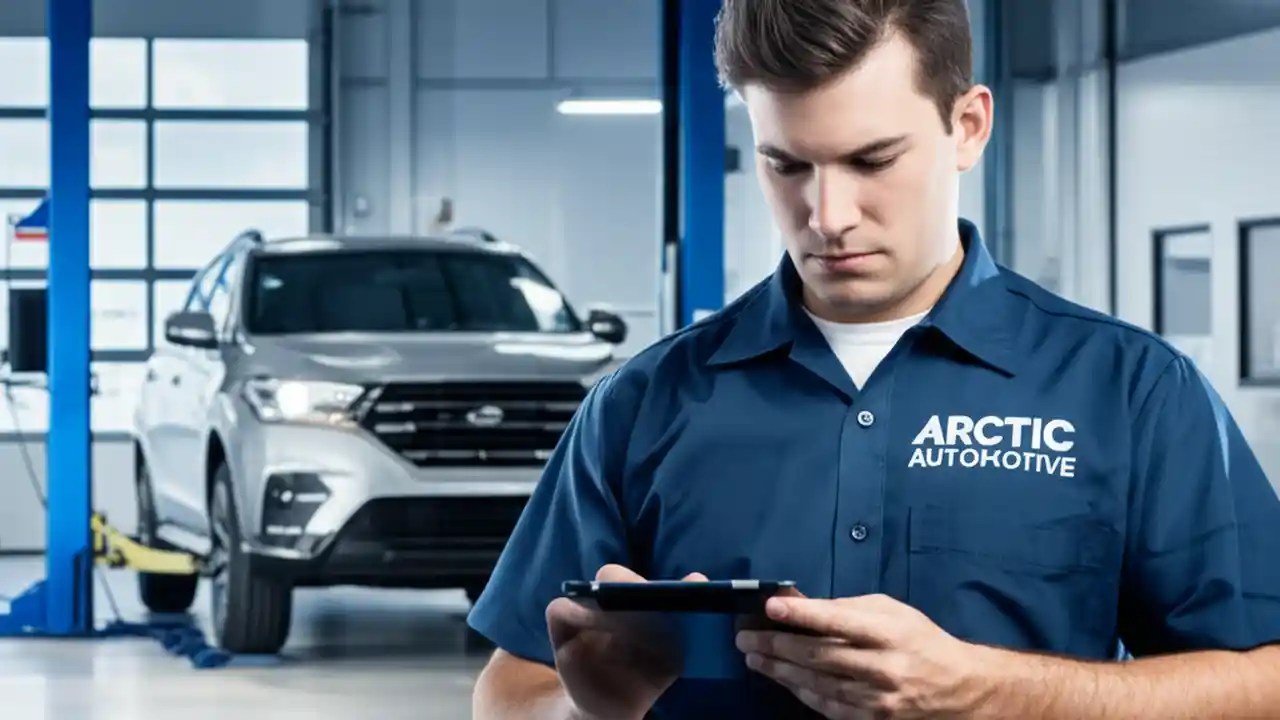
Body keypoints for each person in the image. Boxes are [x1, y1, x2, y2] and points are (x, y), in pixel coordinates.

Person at [469, 0, 1280, 717]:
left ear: (968, 127)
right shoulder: (643, 402)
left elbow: (1264, 683)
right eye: (786, 164)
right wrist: (589, 711)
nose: (828, 215)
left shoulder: (1130, 392)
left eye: (871, 160)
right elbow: (509, 689)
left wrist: (993, 693)